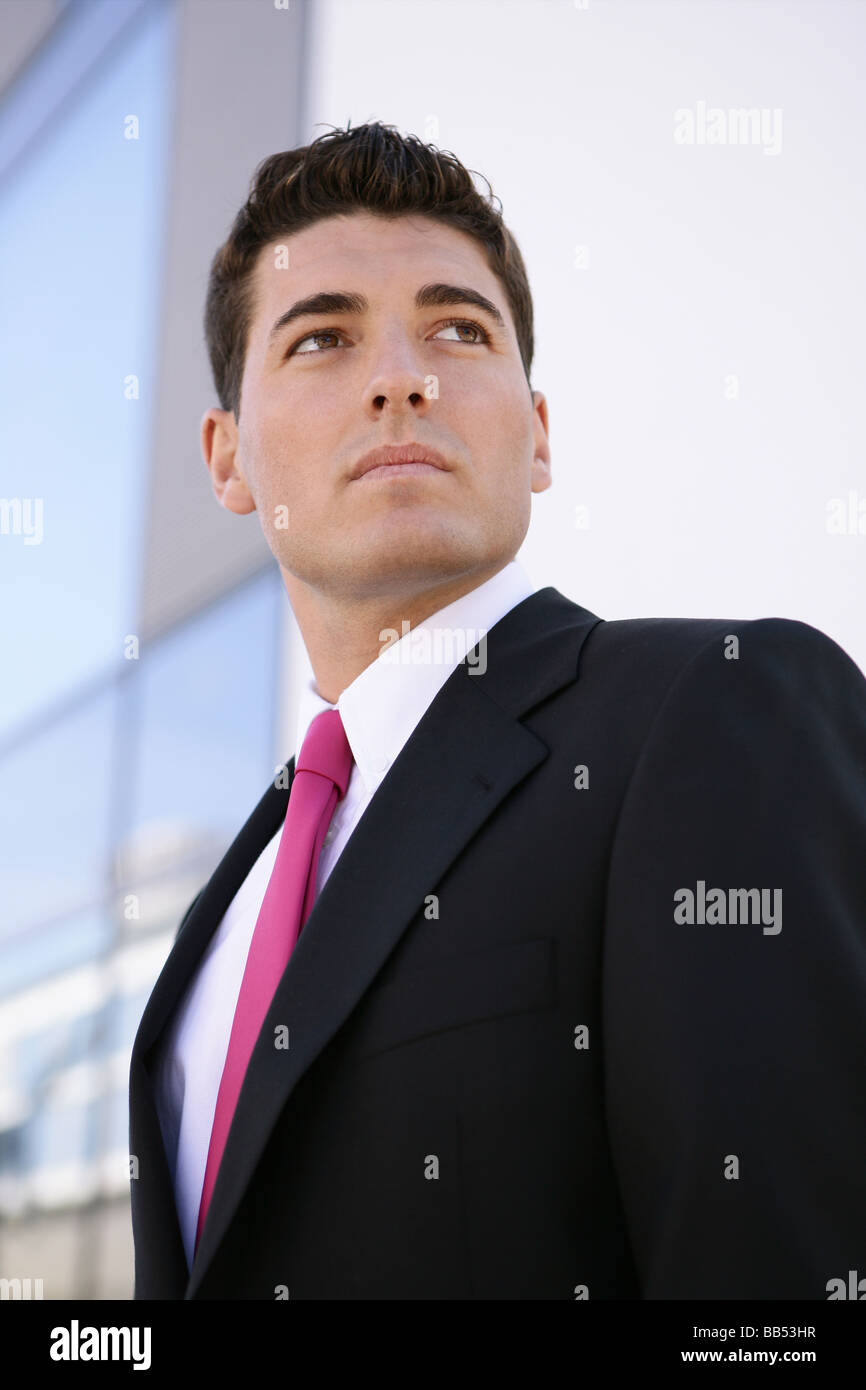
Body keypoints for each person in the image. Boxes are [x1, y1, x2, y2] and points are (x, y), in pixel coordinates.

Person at [129, 121, 866, 1300]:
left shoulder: (717, 711)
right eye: (323, 337)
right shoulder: (229, 907)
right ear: (228, 461)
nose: (400, 376)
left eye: (457, 329)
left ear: (536, 433)